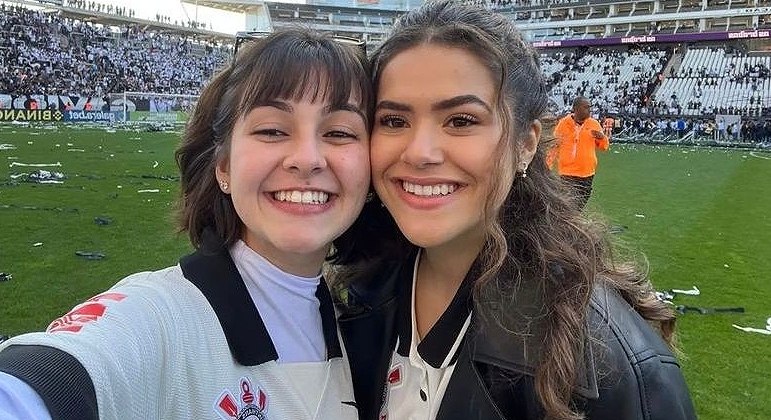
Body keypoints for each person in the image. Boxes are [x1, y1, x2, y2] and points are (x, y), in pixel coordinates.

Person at [332, 2, 696, 420]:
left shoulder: (610, 366)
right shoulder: (360, 285)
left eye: (461, 120)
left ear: (525, 144)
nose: (420, 153)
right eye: (394, 121)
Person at [0, 28, 372, 420]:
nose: (308, 158)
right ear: (223, 167)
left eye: (339, 133)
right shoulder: (162, 314)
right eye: (272, 130)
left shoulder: (371, 329)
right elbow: (50, 376)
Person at [551, 96, 609, 210]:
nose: (589, 110)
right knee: (568, 202)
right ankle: (568, 221)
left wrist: (602, 138)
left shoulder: (594, 124)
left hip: (587, 172)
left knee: (581, 202)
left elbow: (604, 147)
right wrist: (547, 165)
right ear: (575, 109)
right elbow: (554, 146)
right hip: (568, 172)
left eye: (590, 107)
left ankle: (571, 221)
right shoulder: (563, 124)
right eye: (586, 107)